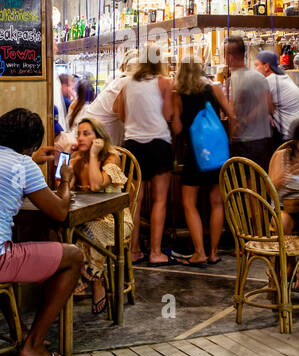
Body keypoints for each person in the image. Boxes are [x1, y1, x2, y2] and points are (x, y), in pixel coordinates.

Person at [0, 108, 83, 356]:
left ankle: (19, 334)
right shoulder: (24, 165)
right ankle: (33, 346)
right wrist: (66, 181)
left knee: (4, 250)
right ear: (31, 143)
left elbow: (3, 172)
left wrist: (32, 158)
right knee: (74, 256)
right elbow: (59, 212)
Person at [115, 46, 175, 265]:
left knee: (135, 200)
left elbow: (121, 115)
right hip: (158, 144)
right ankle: (156, 252)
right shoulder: (164, 83)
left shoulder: (127, 84)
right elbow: (168, 115)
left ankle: (134, 249)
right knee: (159, 200)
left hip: (133, 146)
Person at [171, 55, 232, 266]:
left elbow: (178, 129)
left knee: (189, 203)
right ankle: (214, 252)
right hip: (216, 153)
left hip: (194, 154)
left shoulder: (178, 95)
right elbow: (230, 113)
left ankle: (199, 252)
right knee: (217, 202)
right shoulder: (214, 88)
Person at [67, 118, 131, 313]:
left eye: (86, 133)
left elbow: (96, 185)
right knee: (67, 229)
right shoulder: (78, 159)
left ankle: (96, 281)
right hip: (87, 216)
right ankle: (82, 276)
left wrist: (94, 155)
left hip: (115, 218)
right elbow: (67, 192)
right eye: (79, 134)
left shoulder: (111, 159)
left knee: (86, 230)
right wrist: (70, 164)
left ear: (99, 138)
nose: (80, 138)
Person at [224, 36, 273, 167]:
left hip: (244, 141)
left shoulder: (233, 81)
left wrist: (243, 121)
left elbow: (232, 114)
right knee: (259, 182)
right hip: (263, 139)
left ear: (229, 56)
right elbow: (269, 107)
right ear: (244, 53)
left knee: (243, 185)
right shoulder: (259, 77)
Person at [80, 50, 139, 146]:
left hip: (94, 123)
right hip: (98, 129)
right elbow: (124, 114)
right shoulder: (126, 82)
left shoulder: (120, 80)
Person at [255, 50, 299, 139]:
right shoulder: (283, 77)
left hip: (293, 137)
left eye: (257, 65)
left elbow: (259, 107)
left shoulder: (270, 81)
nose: (255, 69)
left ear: (266, 67)